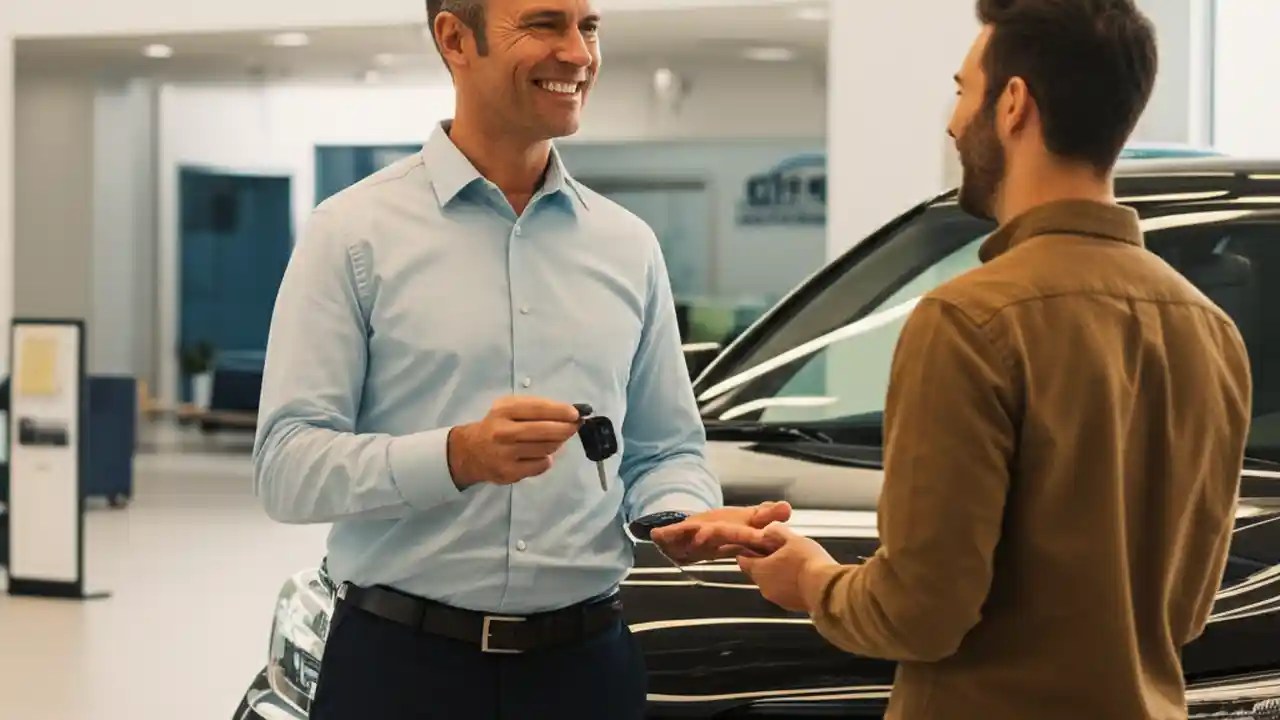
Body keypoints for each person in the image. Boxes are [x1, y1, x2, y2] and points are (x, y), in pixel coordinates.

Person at [671, 1, 1253, 718]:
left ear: (1013, 105)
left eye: (960, 89)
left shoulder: (970, 319)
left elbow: (919, 610)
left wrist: (812, 579)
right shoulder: (1210, 330)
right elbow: (1186, 611)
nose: (952, 122)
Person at [251, 0, 790, 717]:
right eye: (544, 24)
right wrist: (456, 457)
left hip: (586, 672)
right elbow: (287, 466)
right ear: (454, 39)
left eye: (588, 27)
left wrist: (679, 514)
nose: (578, 54)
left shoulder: (627, 247)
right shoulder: (351, 235)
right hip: (400, 670)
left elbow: (666, 448)